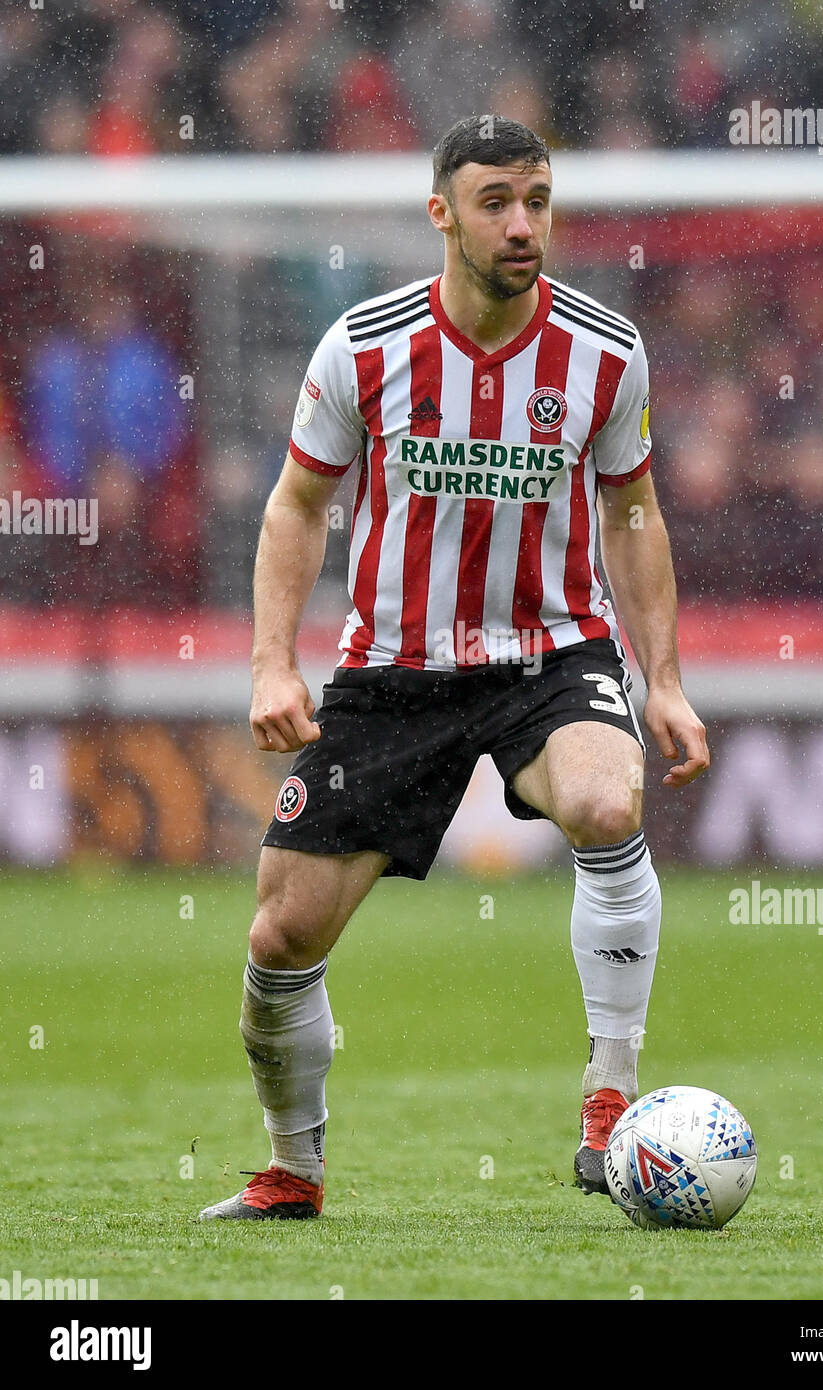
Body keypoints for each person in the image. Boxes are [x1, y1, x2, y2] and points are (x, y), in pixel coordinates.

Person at [200, 115, 709, 1221]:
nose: (522, 224)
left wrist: (660, 678)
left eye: (536, 199)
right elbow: (297, 504)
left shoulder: (606, 351)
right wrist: (270, 662)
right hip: (393, 669)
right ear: (442, 213)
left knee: (603, 795)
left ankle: (609, 1097)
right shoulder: (364, 345)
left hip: (551, 651)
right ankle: (293, 1170)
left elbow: (633, 511)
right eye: (495, 201)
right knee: (280, 935)